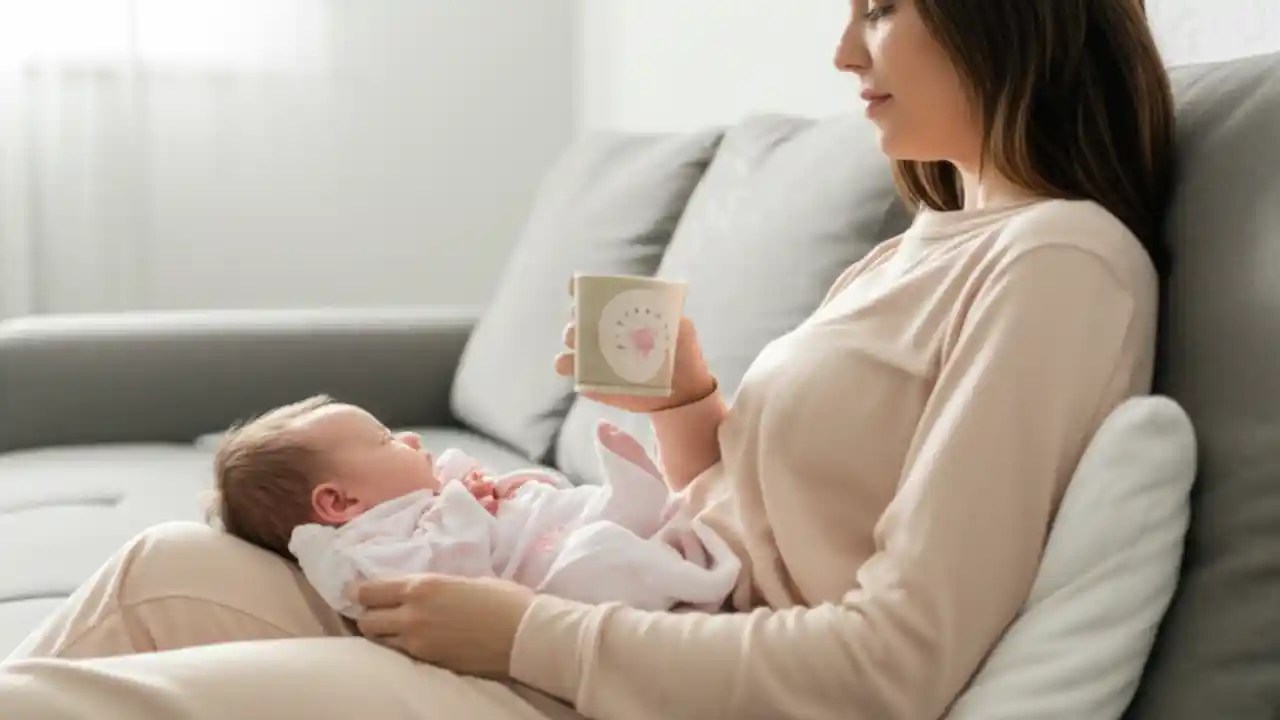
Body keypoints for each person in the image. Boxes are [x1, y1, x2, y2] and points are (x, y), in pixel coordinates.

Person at [0, 1, 1175, 718]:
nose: (838, 50)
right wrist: (682, 396)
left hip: (629, 687)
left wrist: (519, 633)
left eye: (877, 8)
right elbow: (745, 526)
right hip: (607, 623)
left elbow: (892, 669)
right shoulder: (918, 245)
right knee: (159, 567)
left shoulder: (1057, 265)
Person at [210, 395, 738, 617]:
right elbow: (452, 572)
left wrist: (498, 489)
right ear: (339, 501)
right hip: (551, 582)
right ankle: (652, 541)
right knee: (596, 555)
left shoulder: (420, 500)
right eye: (386, 439)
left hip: (545, 539)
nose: (411, 438)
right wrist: (462, 502)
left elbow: (518, 508)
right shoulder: (367, 553)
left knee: (564, 504)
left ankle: (636, 504)